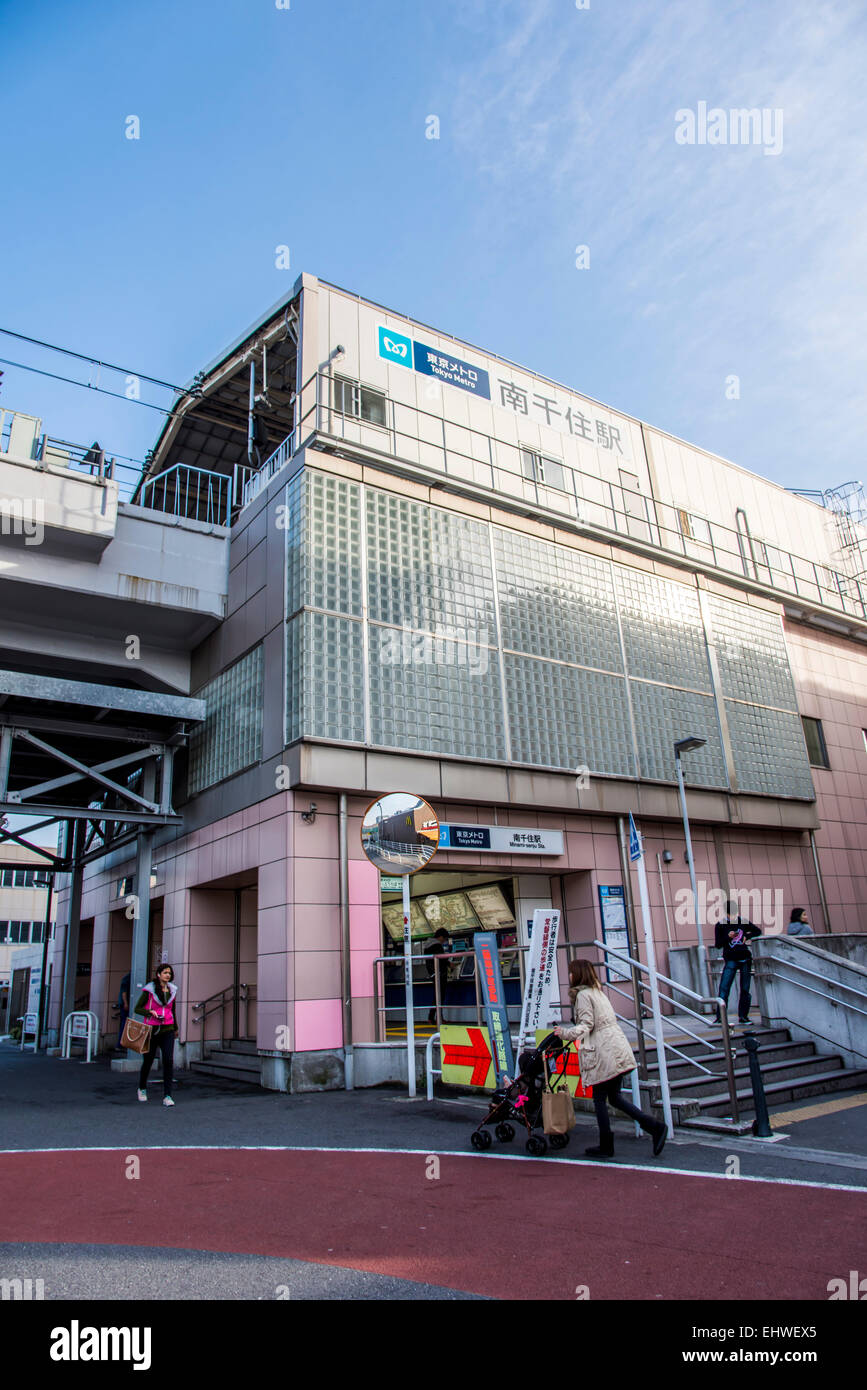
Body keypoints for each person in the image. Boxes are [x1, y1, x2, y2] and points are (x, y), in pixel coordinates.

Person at [553, 959, 666, 1159]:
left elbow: (586, 1025)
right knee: (614, 1098)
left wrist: (563, 1033)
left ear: (578, 974)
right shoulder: (597, 992)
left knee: (600, 1099)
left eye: (571, 972)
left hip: (603, 1052)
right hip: (616, 1047)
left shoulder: (583, 995)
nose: (569, 976)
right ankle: (654, 1127)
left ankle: (607, 1144)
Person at [135, 964, 179, 1106]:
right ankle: (142, 1088)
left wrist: (176, 1028)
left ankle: (167, 1095)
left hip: (168, 1030)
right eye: (165, 972)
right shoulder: (150, 991)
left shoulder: (172, 991)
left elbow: (173, 1010)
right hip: (152, 1029)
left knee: (168, 1060)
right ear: (158, 974)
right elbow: (137, 1008)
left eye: (169, 973)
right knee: (148, 1060)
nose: (168, 975)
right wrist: (149, 1013)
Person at [713, 909, 761, 1025]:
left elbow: (758, 931)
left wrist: (746, 935)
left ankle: (743, 1016)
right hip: (731, 959)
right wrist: (728, 937)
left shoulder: (742, 921)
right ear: (727, 914)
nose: (734, 916)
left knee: (745, 989)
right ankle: (720, 1018)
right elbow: (718, 944)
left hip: (745, 957)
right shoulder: (721, 925)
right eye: (732, 914)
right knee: (724, 988)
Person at [426, 927, 455, 1025]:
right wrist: (449, 964)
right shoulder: (437, 945)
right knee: (440, 997)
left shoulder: (428, 944)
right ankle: (438, 1018)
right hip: (439, 973)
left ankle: (432, 1018)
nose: (444, 941)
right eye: (445, 939)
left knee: (436, 996)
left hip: (433, 973)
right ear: (441, 937)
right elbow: (441, 959)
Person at [116, 971, 131, 1050]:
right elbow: (124, 992)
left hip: (125, 1004)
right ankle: (120, 1044)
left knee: (124, 1023)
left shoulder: (126, 978)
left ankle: (121, 1044)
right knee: (124, 1023)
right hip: (125, 1004)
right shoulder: (127, 979)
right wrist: (126, 1003)